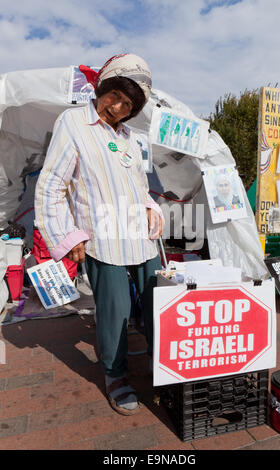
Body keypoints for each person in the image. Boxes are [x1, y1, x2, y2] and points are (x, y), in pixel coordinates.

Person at [34, 53, 164, 416]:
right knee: (115, 309)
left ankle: (161, 365)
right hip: (103, 237)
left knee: (157, 302)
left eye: (128, 105)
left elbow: (139, 186)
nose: (119, 108)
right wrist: (69, 236)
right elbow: (52, 185)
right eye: (115, 96)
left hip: (140, 236)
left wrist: (152, 208)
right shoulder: (74, 122)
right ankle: (115, 375)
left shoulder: (128, 137)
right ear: (102, 88)